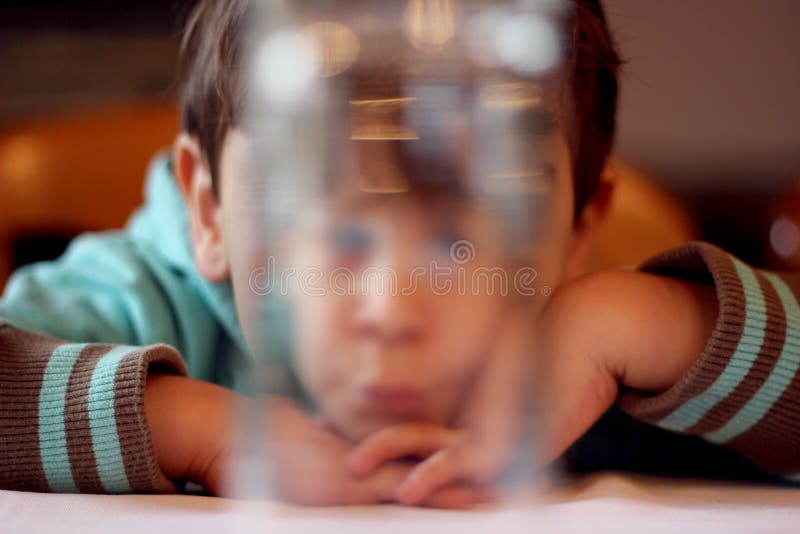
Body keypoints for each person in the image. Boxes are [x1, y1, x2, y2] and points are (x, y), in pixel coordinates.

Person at [0, 0, 797, 508]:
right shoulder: (133, 301)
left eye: (458, 242)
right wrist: (194, 427)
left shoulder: (590, 358)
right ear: (209, 212)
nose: (393, 312)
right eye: (330, 233)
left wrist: (648, 325)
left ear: (578, 227)